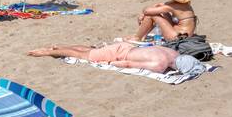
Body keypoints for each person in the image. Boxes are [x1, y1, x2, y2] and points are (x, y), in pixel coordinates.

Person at [27, 40, 203, 75]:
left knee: (90, 50)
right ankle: (49, 52)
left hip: (127, 47)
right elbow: (128, 64)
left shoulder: (174, 53)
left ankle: (59, 46)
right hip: (123, 53)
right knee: (88, 55)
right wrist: (110, 63)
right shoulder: (161, 64)